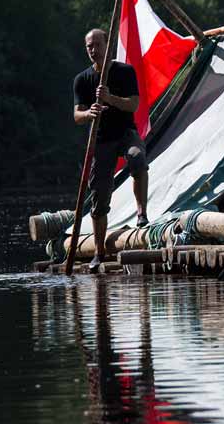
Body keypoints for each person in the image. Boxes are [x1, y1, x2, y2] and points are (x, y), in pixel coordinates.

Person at [74, 28, 149, 273]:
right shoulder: (82, 80)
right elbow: (77, 115)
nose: (93, 50)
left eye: (97, 45)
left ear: (107, 45)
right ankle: (98, 251)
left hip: (126, 133)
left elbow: (134, 104)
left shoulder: (124, 72)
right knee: (99, 195)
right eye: (89, 47)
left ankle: (141, 213)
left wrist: (110, 98)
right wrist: (89, 113)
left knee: (137, 158)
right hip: (101, 139)